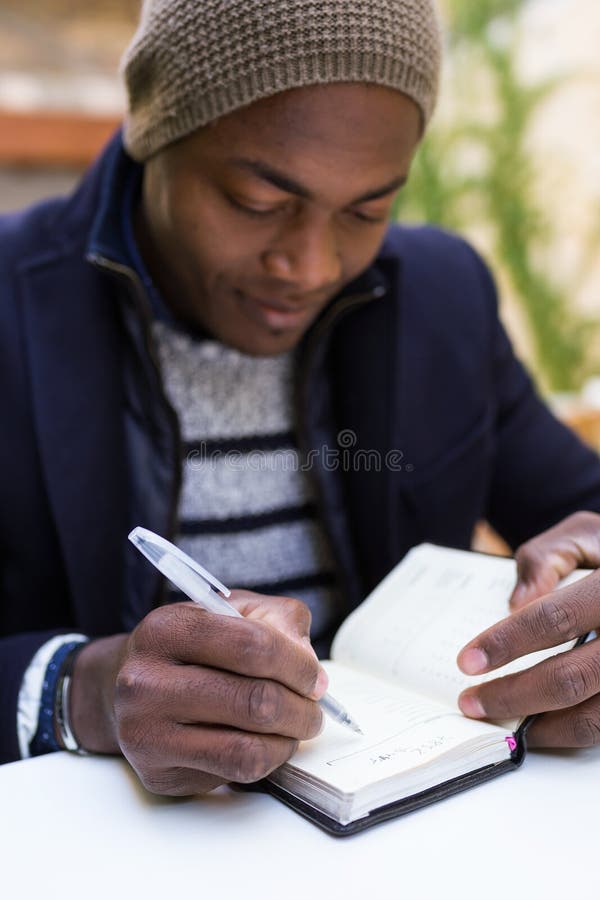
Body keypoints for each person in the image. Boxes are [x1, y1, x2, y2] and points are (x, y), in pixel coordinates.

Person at [1, 0, 600, 794]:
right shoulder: (12, 305)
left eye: (368, 210)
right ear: (153, 130)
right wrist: (81, 690)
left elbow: (577, 506)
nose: (313, 266)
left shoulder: (440, 295)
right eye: (258, 203)